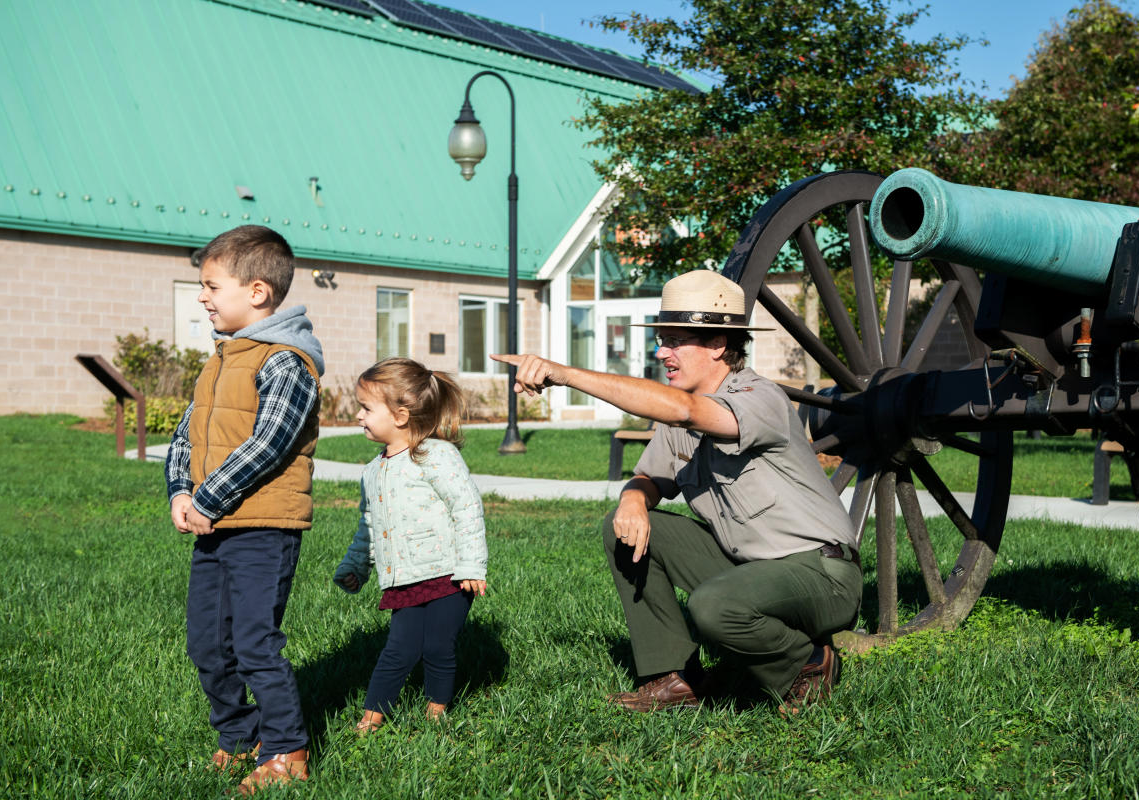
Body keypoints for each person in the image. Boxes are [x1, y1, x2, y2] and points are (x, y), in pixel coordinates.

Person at [492, 270, 860, 717]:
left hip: (822, 572)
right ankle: (674, 677)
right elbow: (650, 477)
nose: (661, 352)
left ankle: (807, 663)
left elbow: (689, 412)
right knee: (621, 527)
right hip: (749, 569)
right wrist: (632, 500)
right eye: (661, 339)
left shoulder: (760, 398)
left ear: (718, 346)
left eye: (675, 340)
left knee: (713, 606)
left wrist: (566, 375)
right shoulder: (675, 420)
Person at [165, 225, 324, 794]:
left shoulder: (287, 361)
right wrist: (182, 492)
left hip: (262, 525)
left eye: (211, 285)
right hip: (214, 524)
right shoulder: (220, 359)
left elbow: (269, 444)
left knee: (255, 641)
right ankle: (238, 734)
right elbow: (185, 435)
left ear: (257, 291)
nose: (203, 296)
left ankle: (286, 748)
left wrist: (208, 498)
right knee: (207, 642)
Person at [333, 358, 487, 734]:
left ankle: (436, 710)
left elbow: (466, 508)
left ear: (400, 415)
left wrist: (471, 567)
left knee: (437, 646)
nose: (358, 415)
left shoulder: (436, 455)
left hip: (449, 574)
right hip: (403, 577)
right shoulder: (373, 470)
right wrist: (356, 567)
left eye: (367, 408)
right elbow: (369, 525)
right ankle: (372, 717)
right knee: (398, 649)